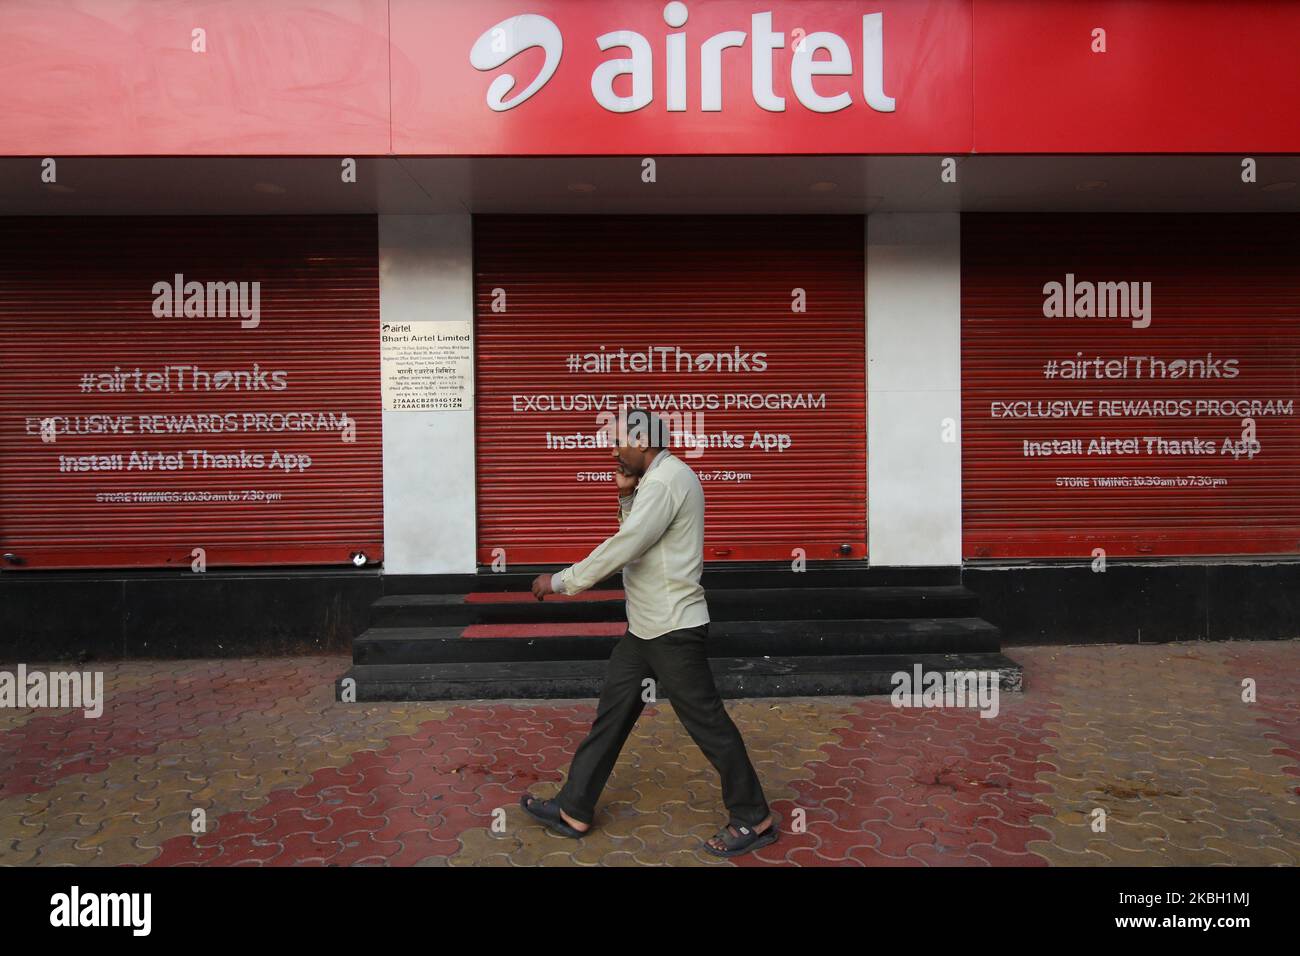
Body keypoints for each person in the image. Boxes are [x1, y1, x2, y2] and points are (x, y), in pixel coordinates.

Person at [521, 407, 778, 857]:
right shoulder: (660, 479)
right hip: (646, 628)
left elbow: (626, 546)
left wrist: (560, 582)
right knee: (612, 716)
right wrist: (625, 498)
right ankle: (574, 808)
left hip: (673, 629)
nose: (614, 451)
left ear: (641, 442)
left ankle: (754, 817)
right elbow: (641, 537)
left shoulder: (663, 482)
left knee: (708, 725)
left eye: (619, 442)